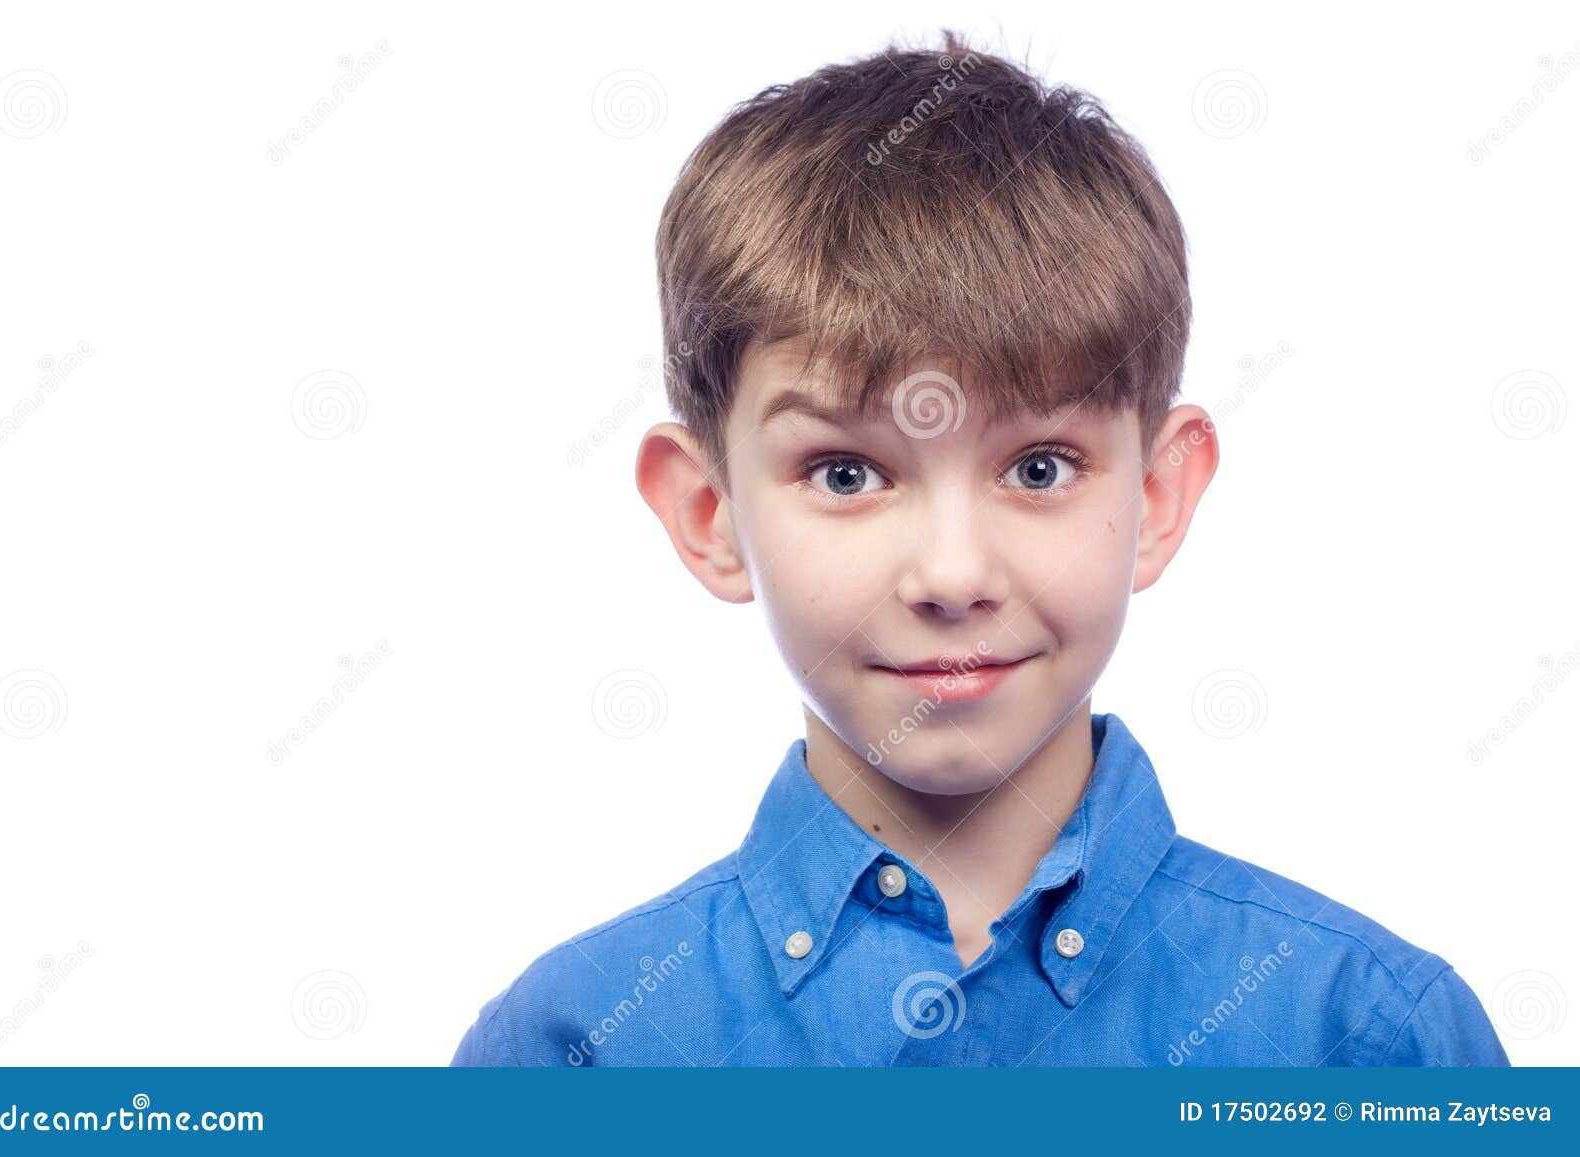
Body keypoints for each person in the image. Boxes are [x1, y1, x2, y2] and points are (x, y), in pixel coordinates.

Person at [451, 30, 1508, 1067]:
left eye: (1039, 467)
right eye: (845, 473)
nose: (952, 575)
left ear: (1158, 492)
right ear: (707, 513)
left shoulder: (1367, 1037)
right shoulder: (570, 1050)